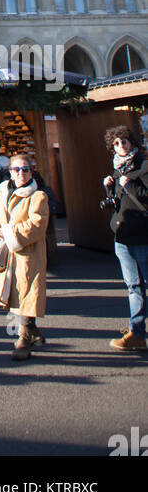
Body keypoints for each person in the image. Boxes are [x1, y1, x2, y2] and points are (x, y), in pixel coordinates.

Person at [0, 152, 49, 361]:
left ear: (32, 171)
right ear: (9, 172)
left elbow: (37, 225)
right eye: (16, 170)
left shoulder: (38, 196)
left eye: (25, 169)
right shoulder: (2, 191)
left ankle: (24, 337)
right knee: (15, 295)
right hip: (9, 253)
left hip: (28, 253)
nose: (20, 174)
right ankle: (32, 331)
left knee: (28, 293)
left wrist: (9, 232)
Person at [102, 125, 148, 353]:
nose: (121, 146)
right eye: (116, 144)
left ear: (132, 143)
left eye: (124, 142)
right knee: (133, 286)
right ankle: (137, 333)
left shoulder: (143, 165)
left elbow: (143, 196)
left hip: (141, 232)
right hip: (121, 233)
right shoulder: (118, 168)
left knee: (143, 284)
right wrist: (110, 189)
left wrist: (133, 185)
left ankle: (138, 331)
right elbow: (118, 203)